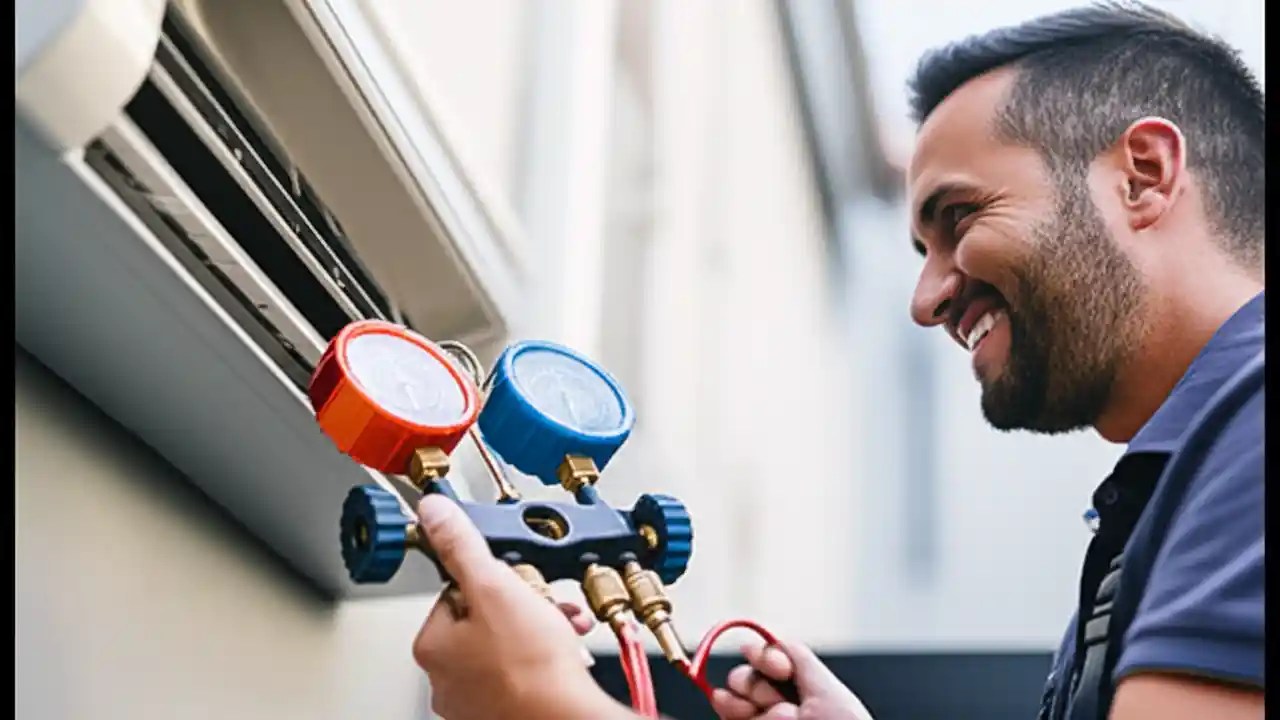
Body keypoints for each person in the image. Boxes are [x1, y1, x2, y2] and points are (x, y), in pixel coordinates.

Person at [410, 3, 1265, 719]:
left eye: (960, 218)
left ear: (1143, 175)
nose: (925, 301)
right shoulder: (1182, 482)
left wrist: (544, 702)